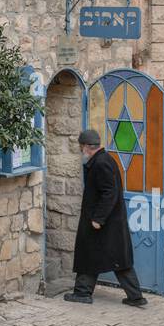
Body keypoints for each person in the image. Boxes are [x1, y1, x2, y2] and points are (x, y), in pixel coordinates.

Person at [64, 128, 148, 307]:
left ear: (87, 147)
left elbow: (109, 193)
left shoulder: (101, 163)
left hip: (102, 222)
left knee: (93, 254)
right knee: (111, 258)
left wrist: (98, 219)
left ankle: (83, 293)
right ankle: (134, 296)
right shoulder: (104, 159)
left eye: (81, 147)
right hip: (108, 222)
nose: (81, 151)